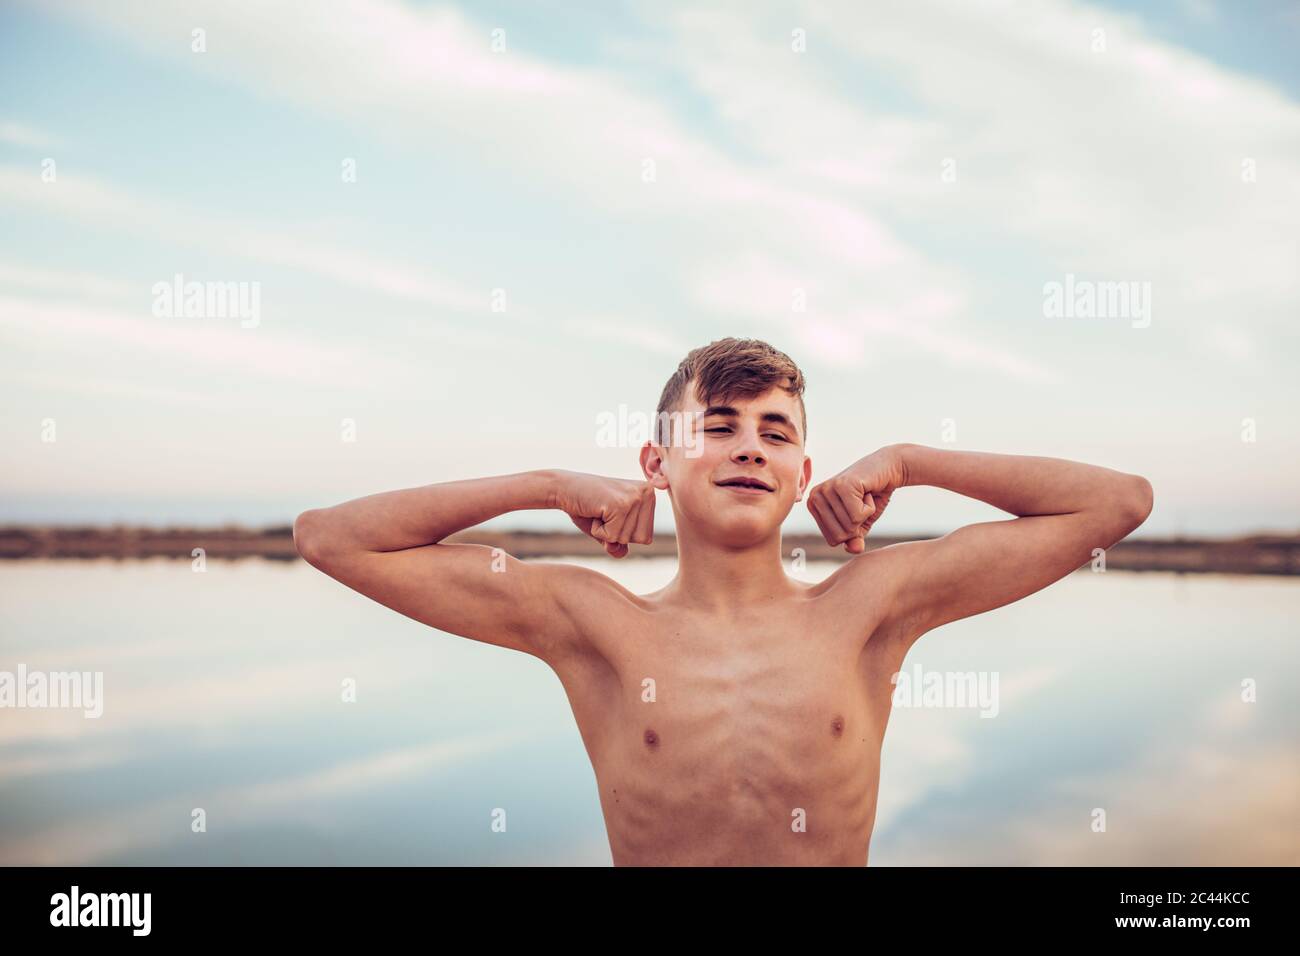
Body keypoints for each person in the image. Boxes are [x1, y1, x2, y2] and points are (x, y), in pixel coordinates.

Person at [293, 337, 1153, 866]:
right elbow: (329, 538)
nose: (749, 449)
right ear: (656, 463)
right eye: (717, 427)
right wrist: (546, 484)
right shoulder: (594, 624)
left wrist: (909, 459)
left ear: (802, 475)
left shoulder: (871, 607)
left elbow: (1117, 504)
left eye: (775, 433)